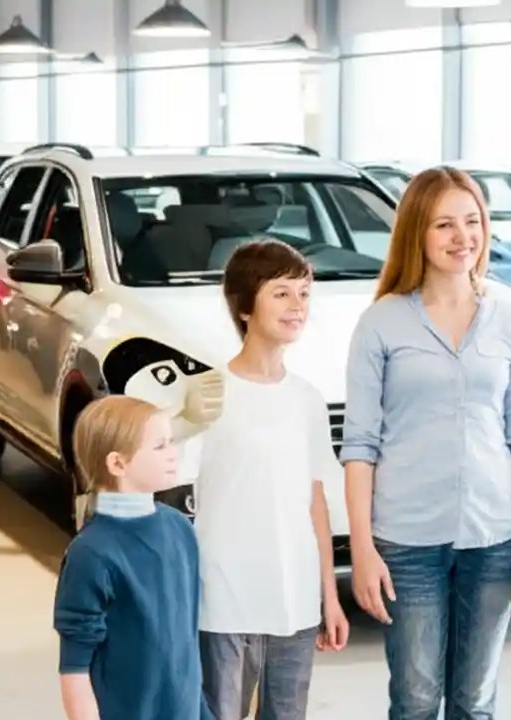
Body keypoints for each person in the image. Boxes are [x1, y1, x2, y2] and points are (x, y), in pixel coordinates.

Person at [341, 167, 511, 719]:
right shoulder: (381, 323)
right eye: (444, 225)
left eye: (472, 221)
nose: (463, 237)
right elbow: (360, 446)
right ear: (417, 232)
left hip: (494, 536)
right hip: (406, 539)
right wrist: (361, 549)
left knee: (475, 701)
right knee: (415, 700)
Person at [195, 239, 350, 720]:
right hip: (224, 596)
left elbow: (315, 502)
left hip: (294, 596)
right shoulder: (208, 393)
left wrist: (329, 596)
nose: (297, 305)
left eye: (304, 293)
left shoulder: (307, 399)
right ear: (245, 307)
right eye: (281, 293)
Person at [53, 395, 214, 720]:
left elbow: (185, 646)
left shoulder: (180, 529)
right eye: (160, 446)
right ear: (117, 464)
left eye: (172, 442)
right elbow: (75, 669)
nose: (174, 452)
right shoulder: (91, 553)